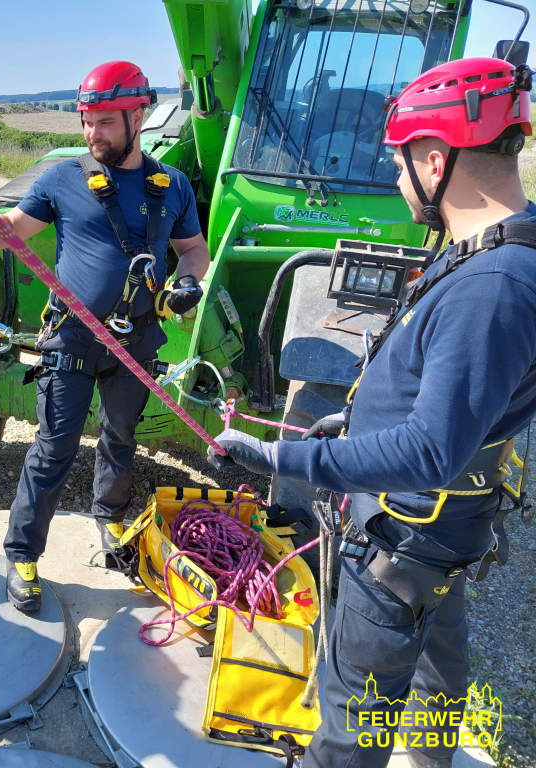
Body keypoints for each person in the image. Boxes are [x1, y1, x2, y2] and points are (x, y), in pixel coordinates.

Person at [208, 57, 534, 768]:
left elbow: (428, 451)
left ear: (435, 158)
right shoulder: (497, 252)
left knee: (353, 725)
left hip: (399, 545)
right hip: (435, 543)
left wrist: (280, 457)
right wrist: (352, 427)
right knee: (436, 685)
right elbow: (441, 404)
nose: (394, 179)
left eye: (397, 162)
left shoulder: (493, 289)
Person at [0, 61, 210, 611]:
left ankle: (111, 524)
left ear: (138, 116)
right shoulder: (62, 180)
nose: (91, 134)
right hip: (72, 339)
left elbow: (194, 249)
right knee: (53, 448)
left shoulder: (173, 187)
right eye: (86, 122)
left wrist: (188, 282)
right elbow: (7, 232)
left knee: (121, 437)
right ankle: (22, 554)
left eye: (104, 123)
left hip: (136, 341)